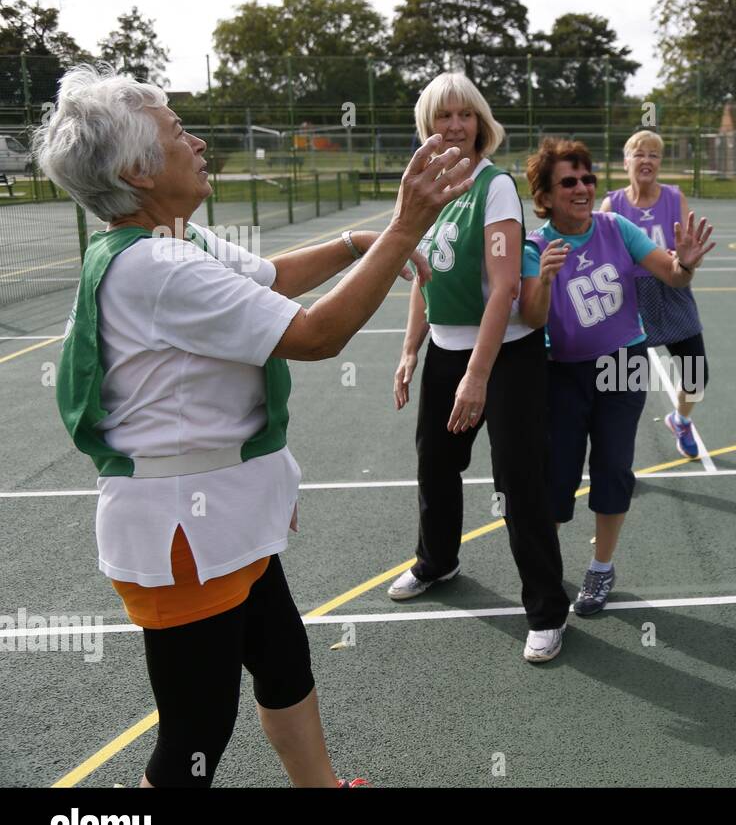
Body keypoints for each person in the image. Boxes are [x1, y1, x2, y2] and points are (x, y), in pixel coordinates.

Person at [37, 64, 472, 787]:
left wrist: (350, 246)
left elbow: (267, 276)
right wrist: (403, 227)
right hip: (184, 535)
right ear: (138, 170)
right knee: (195, 735)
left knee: (284, 661)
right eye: (179, 132)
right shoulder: (154, 268)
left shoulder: (174, 242)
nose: (199, 141)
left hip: (221, 521)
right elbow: (315, 334)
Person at [385, 73, 572, 664]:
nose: (455, 126)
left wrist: (478, 375)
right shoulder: (425, 188)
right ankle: (438, 561)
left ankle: (546, 611)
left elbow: (503, 288)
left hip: (507, 355)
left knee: (520, 482)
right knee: (435, 465)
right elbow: (421, 273)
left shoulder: (495, 187)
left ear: (481, 124)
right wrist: (412, 348)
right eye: (444, 116)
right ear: (427, 126)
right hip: (445, 350)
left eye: (465, 115)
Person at [520, 138, 714, 615]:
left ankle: (601, 568)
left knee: (613, 469)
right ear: (544, 195)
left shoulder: (616, 227)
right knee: (558, 476)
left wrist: (685, 261)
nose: (583, 188)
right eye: (569, 181)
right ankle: (549, 570)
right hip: (563, 372)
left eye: (587, 178)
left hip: (623, 363)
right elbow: (532, 319)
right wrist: (544, 279)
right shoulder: (536, 247)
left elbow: (672, 276)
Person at [599, 130, 710, 460]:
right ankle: (616, 457)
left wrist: (692, 259)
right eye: (639, 153)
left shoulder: (674, 198)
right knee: (622, 386)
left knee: (696, 375)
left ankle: (681, 419)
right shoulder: (612, 204)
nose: (646, 160)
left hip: (671, 292)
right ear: (625, 162)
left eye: (654, 155)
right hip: (628, 301)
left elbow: (690, 253)